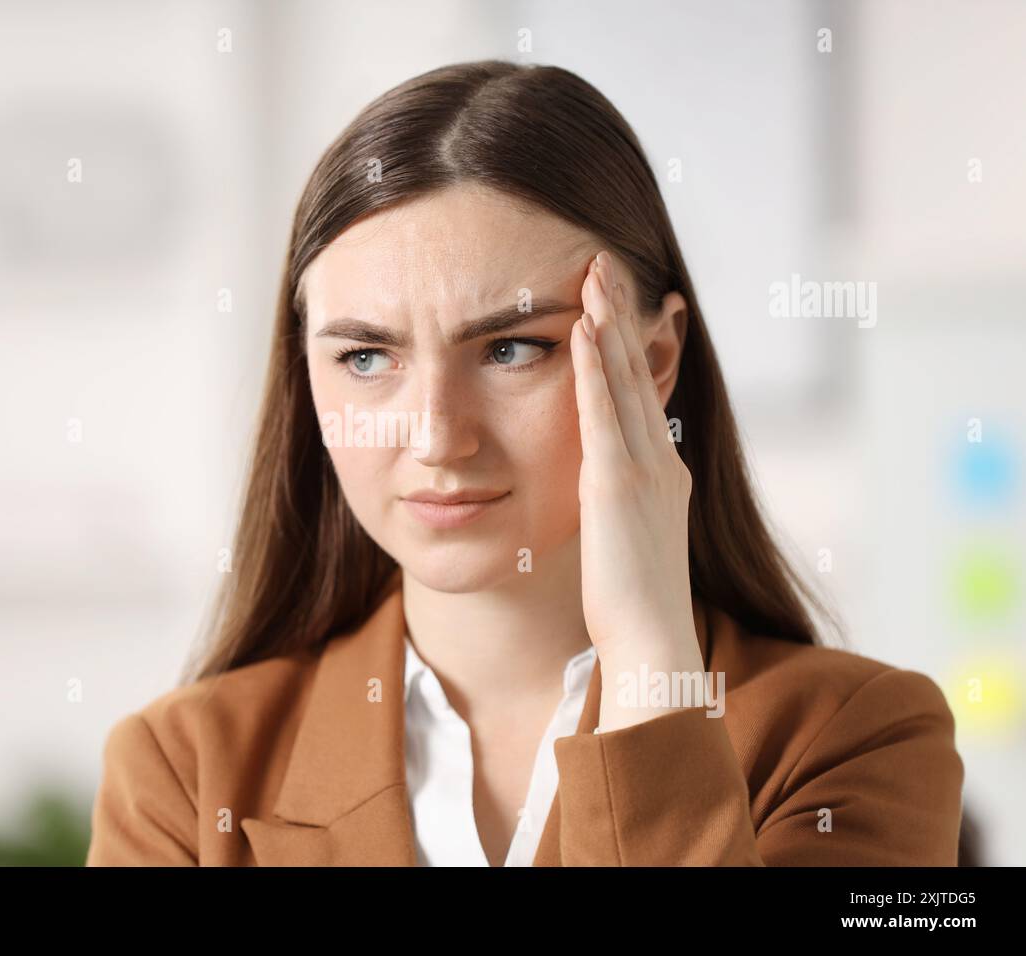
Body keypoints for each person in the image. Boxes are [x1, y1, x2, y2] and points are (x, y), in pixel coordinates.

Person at [86, 60, 963, 866]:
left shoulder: (865, 739)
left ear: (653, 360)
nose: (436, 436)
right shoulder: (183, 775)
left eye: (510, 348)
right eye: (364, 358)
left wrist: (649, 659)